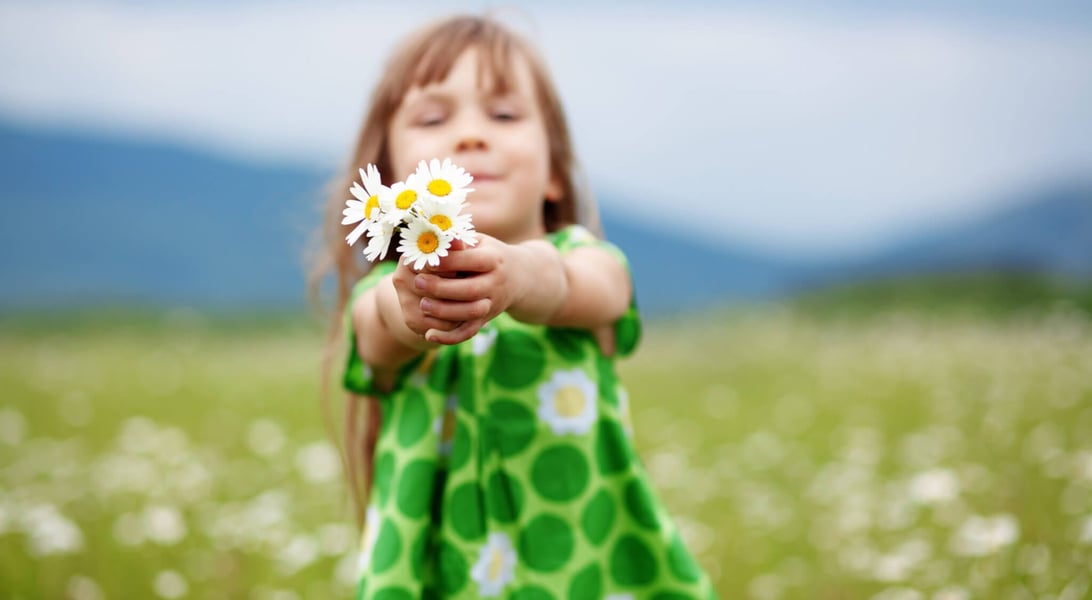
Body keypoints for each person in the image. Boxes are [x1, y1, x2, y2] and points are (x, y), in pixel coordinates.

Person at [313, 14, 719, 600]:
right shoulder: (386, 289)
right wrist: (416, 302)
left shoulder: (584, 261)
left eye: (504, 115)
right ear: (391, 179)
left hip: (579, 566)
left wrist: (522, 275)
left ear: (555, 172)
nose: (472, 136)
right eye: (433, 118)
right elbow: (377, 328)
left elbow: (591, 288)